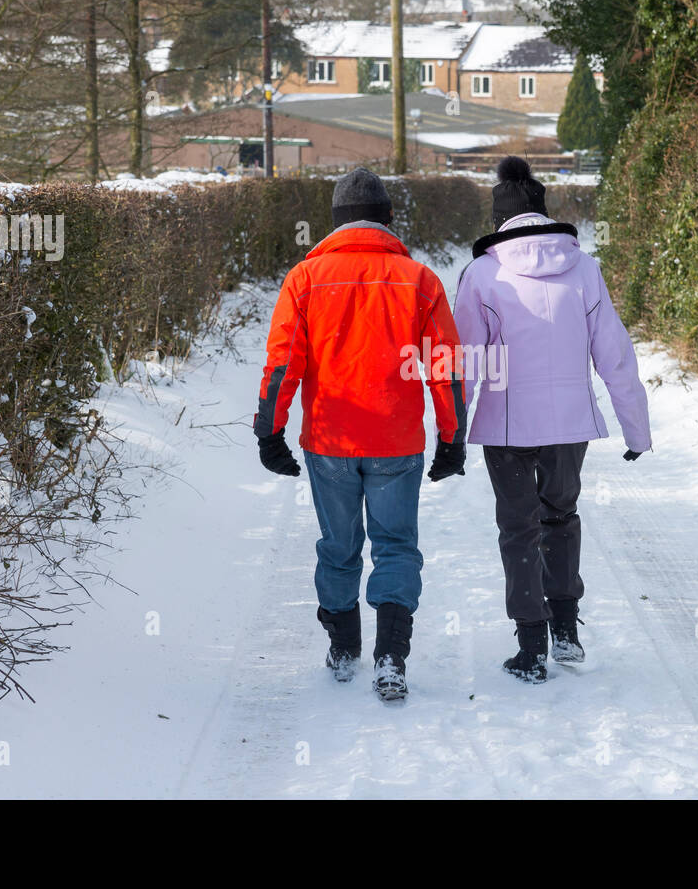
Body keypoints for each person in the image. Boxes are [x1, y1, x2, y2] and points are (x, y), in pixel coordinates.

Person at [253, 168, 467, 702]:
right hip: (396, 439)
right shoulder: (419, 280)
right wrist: (452, 436)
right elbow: (445, 365)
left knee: (339, 545)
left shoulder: (305, 280)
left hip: (329, 439)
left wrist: (269, 431)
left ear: (335, 223)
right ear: (388, 219)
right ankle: (391, 656)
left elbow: (284, 364)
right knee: (396, 545)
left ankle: (344, 645)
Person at [453, 156, 652, 683]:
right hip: (570, 425)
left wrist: (450, 434)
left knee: (519, 530)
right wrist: (636, 428)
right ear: (543, 211)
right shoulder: (584, 268)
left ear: (498, 222)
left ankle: (531, 647)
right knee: (560, 518)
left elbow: (466, 361)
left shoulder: (482, 273)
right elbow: (614, 353)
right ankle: (566, 629)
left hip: (506, 425)